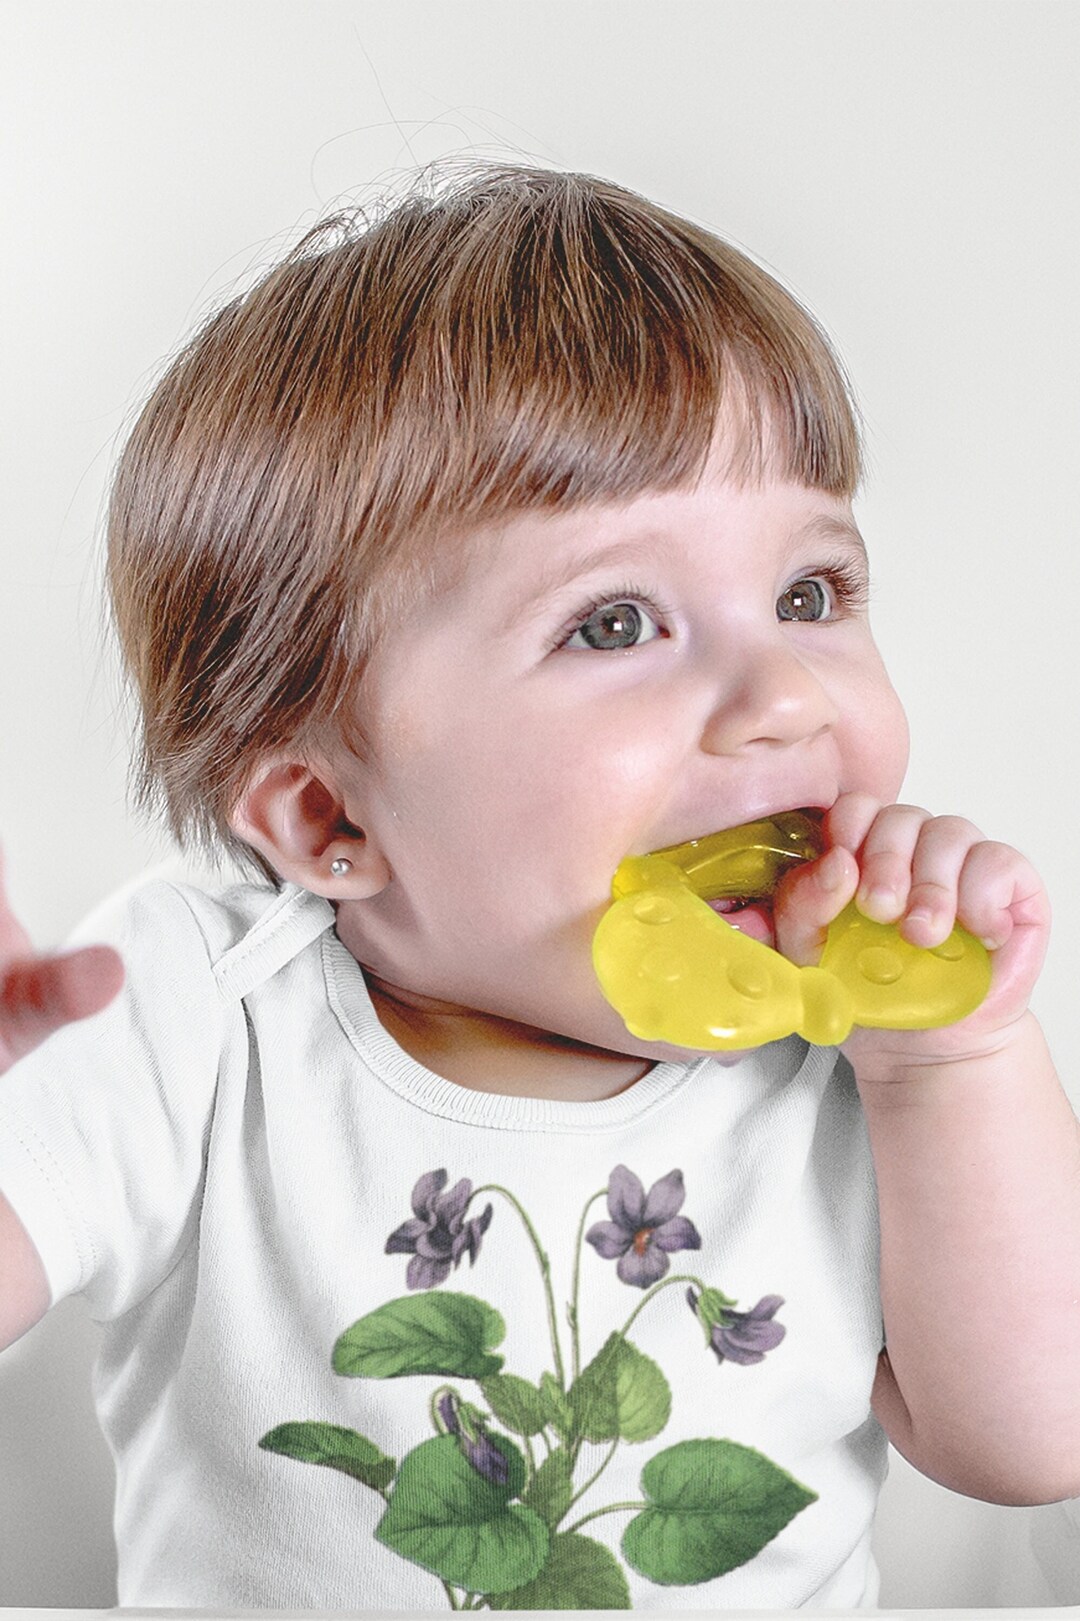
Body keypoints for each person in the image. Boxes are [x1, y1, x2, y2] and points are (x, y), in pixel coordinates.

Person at [1, 165, 1077, 1611]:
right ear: (329, 813)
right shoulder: (200, 1011)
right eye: (616, 621)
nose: (780, 696)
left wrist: (952, 1059)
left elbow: (1031, 1442)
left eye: (810, 594)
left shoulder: (856, 1054)